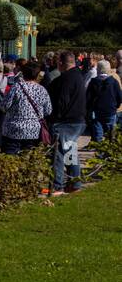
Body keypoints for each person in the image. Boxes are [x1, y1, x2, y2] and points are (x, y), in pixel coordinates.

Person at [47, 50, 88, 195]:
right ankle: (74, 183)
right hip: (77, 120)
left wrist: (53, 117)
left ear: (61, 63)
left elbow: (62, 101)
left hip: (65, 121)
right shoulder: (78, 75)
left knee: (58, 154)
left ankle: (57, 185)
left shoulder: (66, 79)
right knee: (70, 152)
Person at [0, 59, 51, 155]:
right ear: (37, 75)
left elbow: (4, 106)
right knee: (29, 159)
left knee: (10, 159)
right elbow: (48, 111)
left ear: (22, 73)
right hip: (33, 131)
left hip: (13, 129)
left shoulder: (16, 87)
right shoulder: (42, 90)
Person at [86, 59, 121, 142]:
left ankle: (99, 147)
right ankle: (110, 147)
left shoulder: (93, 82)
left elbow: (88, 98)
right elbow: (119, 96)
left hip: (96, 111)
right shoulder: (114, 81)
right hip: (111, 110)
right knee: (111, 131)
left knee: (98, 131)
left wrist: (89, 109)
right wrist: (117, 105)